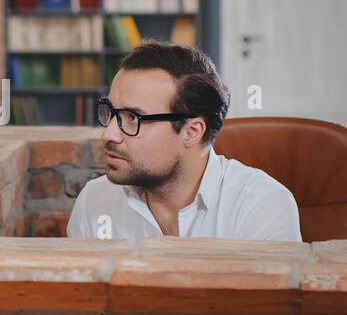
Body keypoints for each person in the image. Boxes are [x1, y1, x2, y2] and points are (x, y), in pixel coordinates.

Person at [67, 42, 301, 242]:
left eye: (132, 118)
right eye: (110, 112)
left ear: (192, 131)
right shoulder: (94, 202)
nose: (108, 134)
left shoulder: (262, 206)